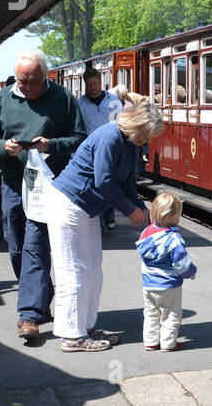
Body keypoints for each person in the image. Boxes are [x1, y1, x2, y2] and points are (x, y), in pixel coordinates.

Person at [0, 52, 87, 344]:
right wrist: (4, 147)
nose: (27, 87)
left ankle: (30, 315)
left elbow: (80, 136)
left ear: (46, 76)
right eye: (21, 81)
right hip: (14, 183)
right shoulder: (3, 100)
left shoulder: (64, 98)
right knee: (16, 246)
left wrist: (51, 145)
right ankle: (42, 295)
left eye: (33, 81)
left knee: (34, 247)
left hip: (49, 186)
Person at [46, 101, 163, 352]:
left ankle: (86, 329)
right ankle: (71, 336)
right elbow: (105, 181)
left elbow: (126, 182)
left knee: (92, 270)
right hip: (69, 205)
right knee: (74, 272)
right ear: (136, 125)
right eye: (146, 135)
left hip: (85, 208)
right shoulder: (110, 137)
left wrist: (140, 206)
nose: (146, 142)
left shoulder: (129, 142)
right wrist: (130, 211)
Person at [136, 190, 196, 352]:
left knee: (151, 313)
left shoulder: (146, 233)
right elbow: (181, 263)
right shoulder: (173, 239)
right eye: (178, 215)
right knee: (171, 314)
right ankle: (169, 344)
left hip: (149, 284)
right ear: (170, 217)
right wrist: (191, 272)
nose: (179, 219)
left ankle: (150, 342)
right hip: (169, 285)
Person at [75, 64, 123, 230]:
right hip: (89, 151)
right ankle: (97, 219)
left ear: (101, 82)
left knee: (108, 183)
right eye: (89, 84)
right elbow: (78, 128)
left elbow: (121, 125)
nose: (92, 87)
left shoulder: (113, 102)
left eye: (95, 83)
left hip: (110, 150)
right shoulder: (79, 105)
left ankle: (109, 217)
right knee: (93, 185)